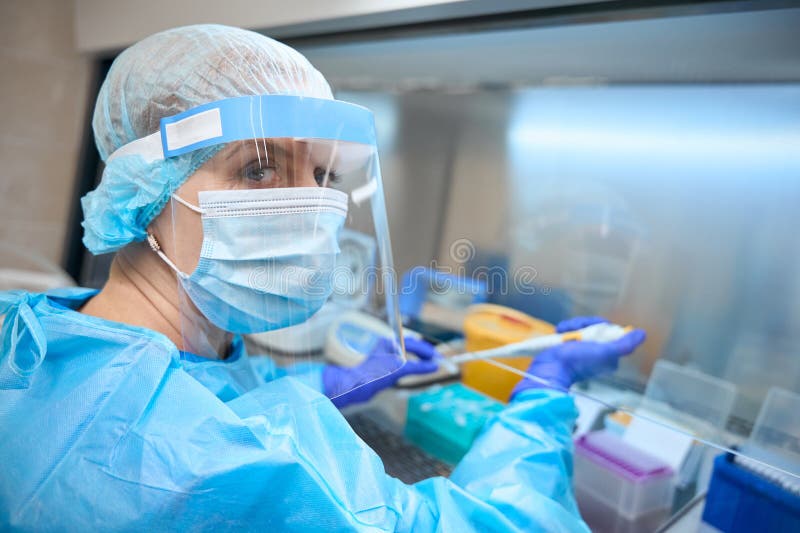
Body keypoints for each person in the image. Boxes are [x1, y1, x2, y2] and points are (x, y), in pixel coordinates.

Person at [0, 25, 645, 532]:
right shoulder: (210, 464)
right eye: (258, 169)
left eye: (323, 176)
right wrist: (542, 397)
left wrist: (335, 383)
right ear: (145, 192)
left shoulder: (37, 333)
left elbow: (212, 397)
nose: (307, 208)